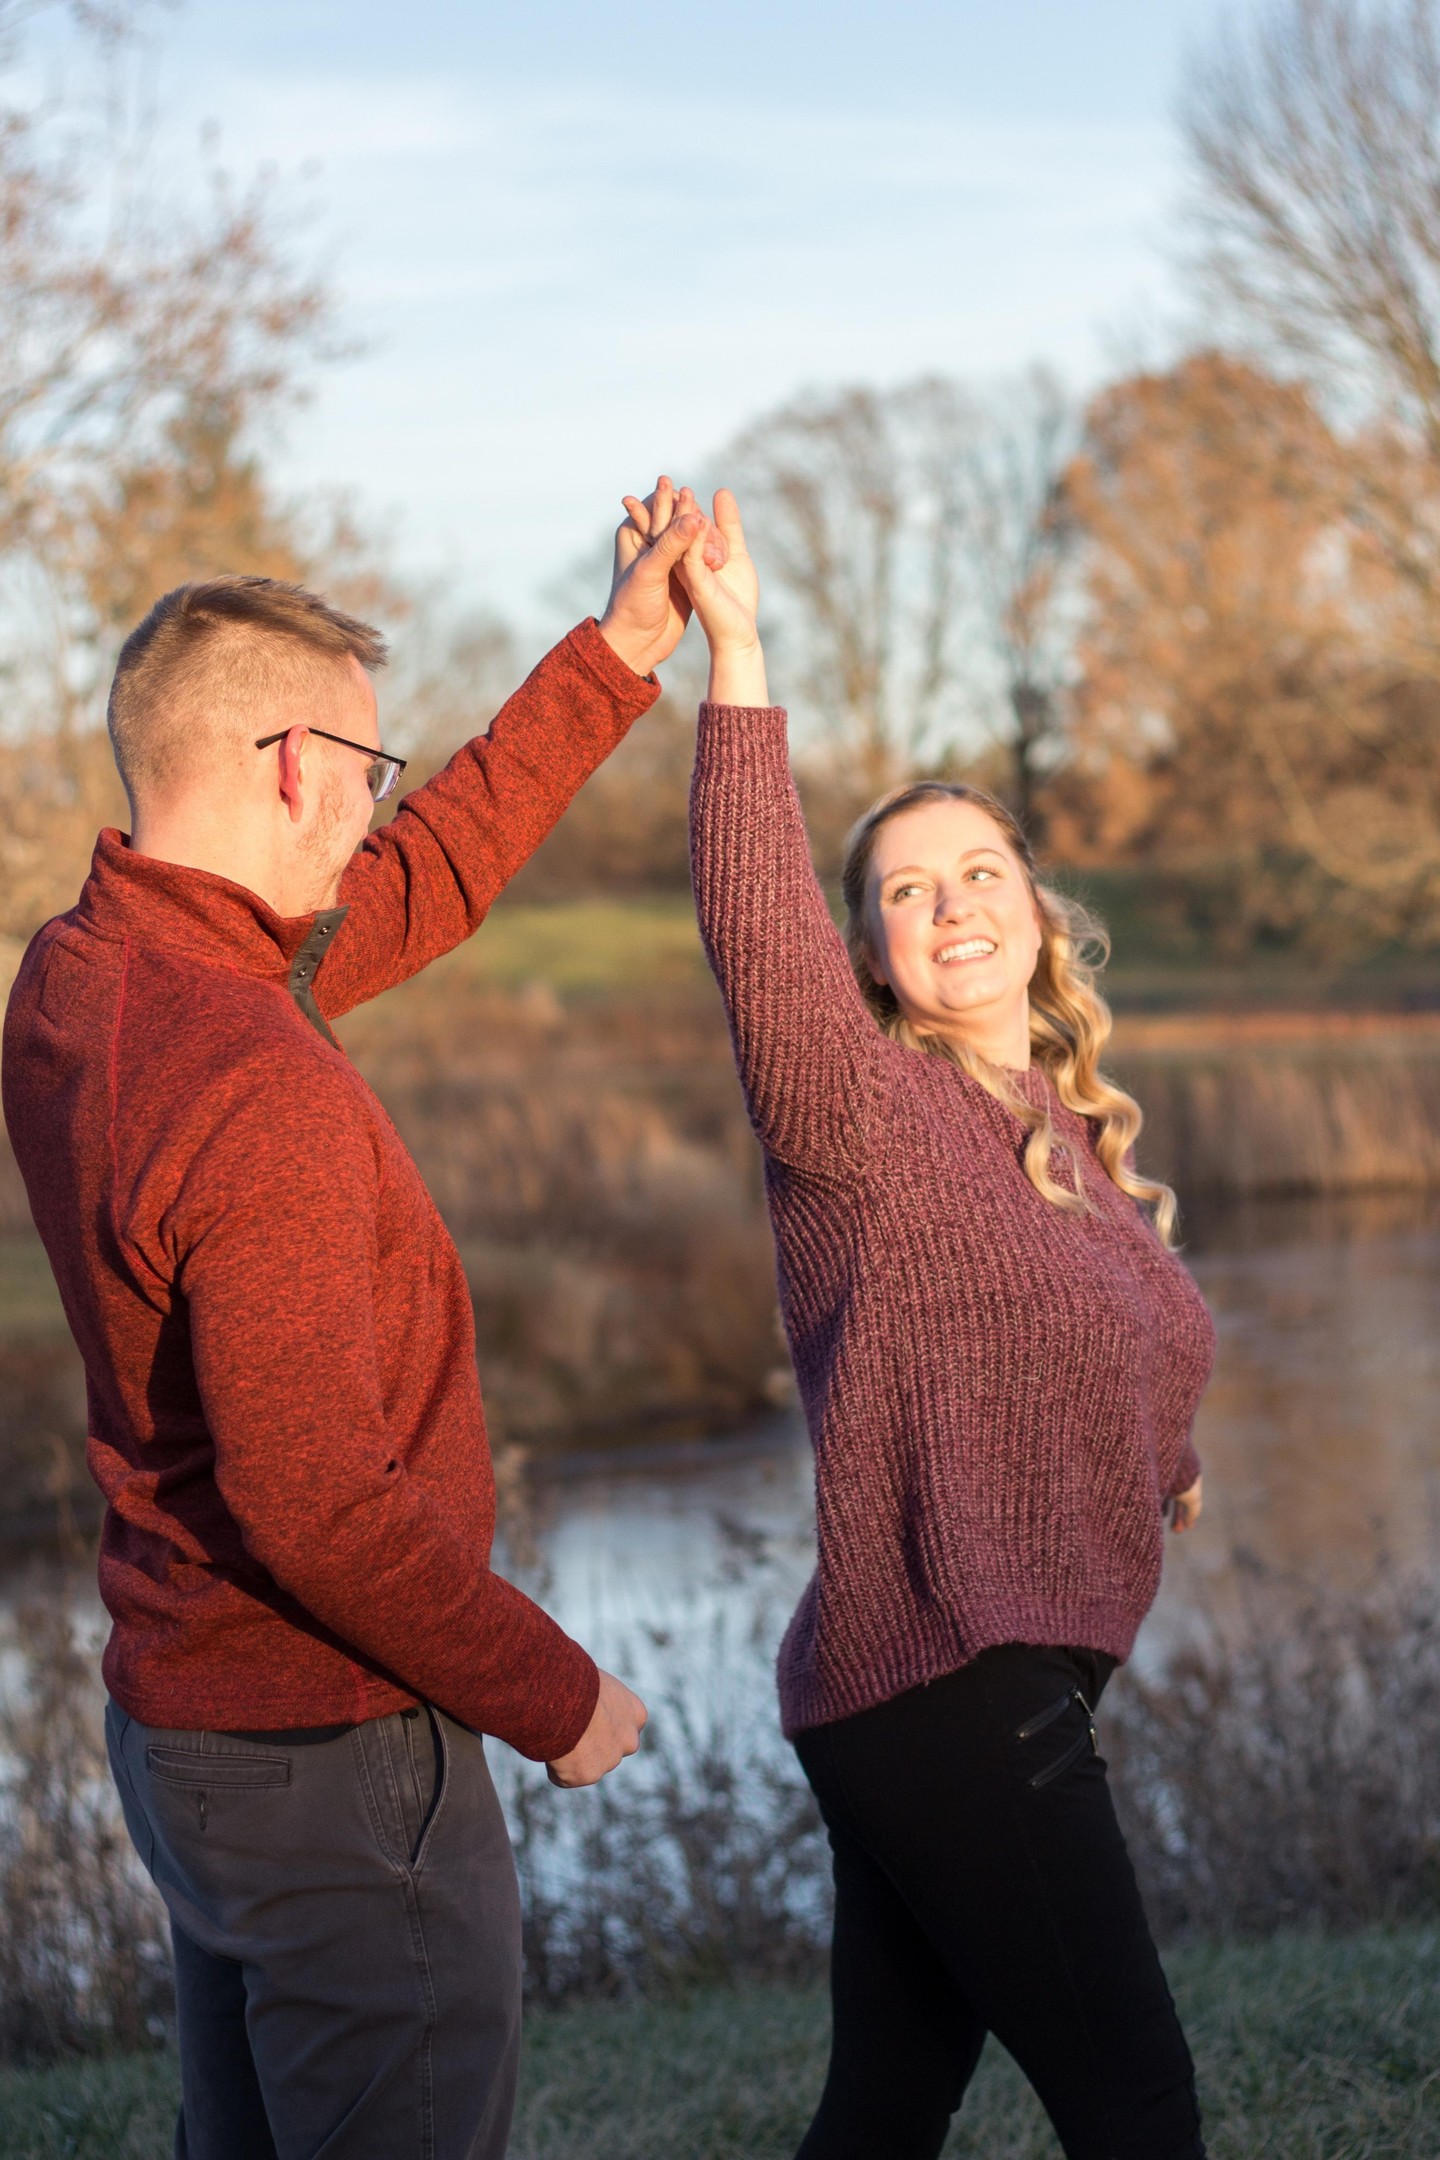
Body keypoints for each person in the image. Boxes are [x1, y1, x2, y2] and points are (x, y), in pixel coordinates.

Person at [1, 479, 715, 2160]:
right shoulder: (254, 1084)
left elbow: (419, 884)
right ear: (293, 766)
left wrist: (615, 656)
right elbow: (317, 1500)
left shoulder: (83, 976)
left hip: (190, 1731)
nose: (372, 810)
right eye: (370, 770)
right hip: (334, 1751)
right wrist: (556, 1694)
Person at [662, 485, 1215, 2160]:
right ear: (870, 948)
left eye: (983, 871)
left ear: (1037, 908)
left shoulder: (1067, 1134)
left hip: (978, 1676)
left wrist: (1160, 1460)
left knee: (889, 2105)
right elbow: (755, 923)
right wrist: (739, 657)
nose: (955, 903)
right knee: (1136, 2098)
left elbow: (1125, 1342)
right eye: (909, 890)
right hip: (946, 1675)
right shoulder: (858, 1117)